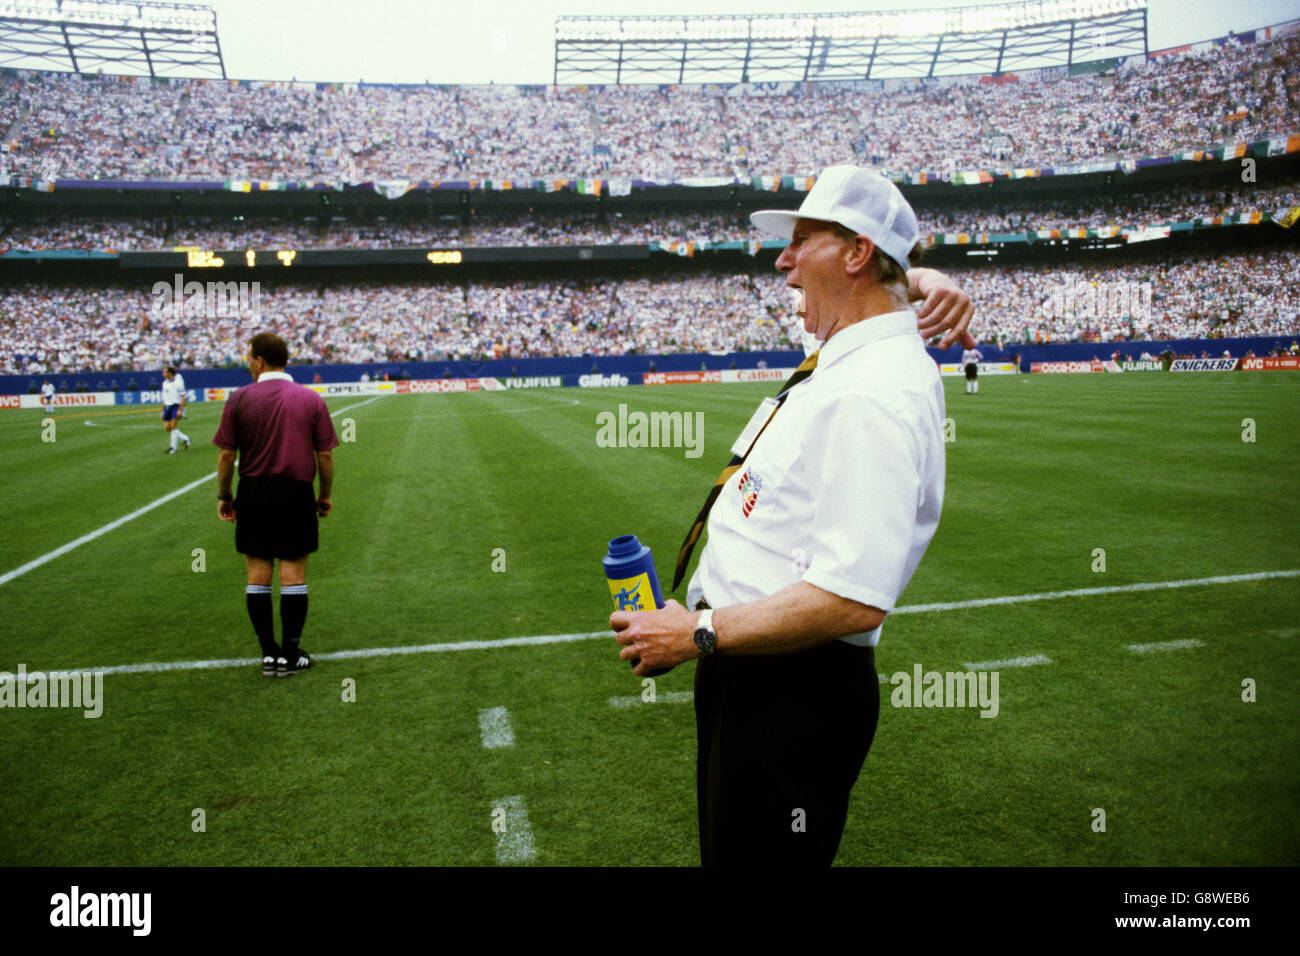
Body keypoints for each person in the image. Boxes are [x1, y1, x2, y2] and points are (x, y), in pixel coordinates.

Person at [611, 165, 961, 866]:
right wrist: (922, 278)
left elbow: (851, 598)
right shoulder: (848, 350)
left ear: (856, 253)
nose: (782, 260)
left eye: (802, 241)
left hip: (792, 689)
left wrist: (698, 634)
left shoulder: (869, 391)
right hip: (759, 671)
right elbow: (880, 302)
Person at [213, 332, 339, 678]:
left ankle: (269, 654)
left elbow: (227, 455)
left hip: (253, 493)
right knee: (294, 575)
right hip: (296, 493)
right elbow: (324, 455)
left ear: (259, 361)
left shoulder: (239, 398)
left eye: (248, 358)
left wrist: (225, 496)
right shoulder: (309, 399)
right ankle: (291, 652)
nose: (247, 363)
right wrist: (324, 495)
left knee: (258, 576)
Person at [160, 366, 191, 453]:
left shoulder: (178, 383)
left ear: (170, 373)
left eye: (165, 372)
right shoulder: (164, 383)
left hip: (176, 406)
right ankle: (186, 438)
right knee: (167, 427)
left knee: (173, 427)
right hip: (167, 406)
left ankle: (173, 448)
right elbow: (164, 398)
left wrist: (180, 410)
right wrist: (162, 410)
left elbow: (183, 397)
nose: (163, 374)